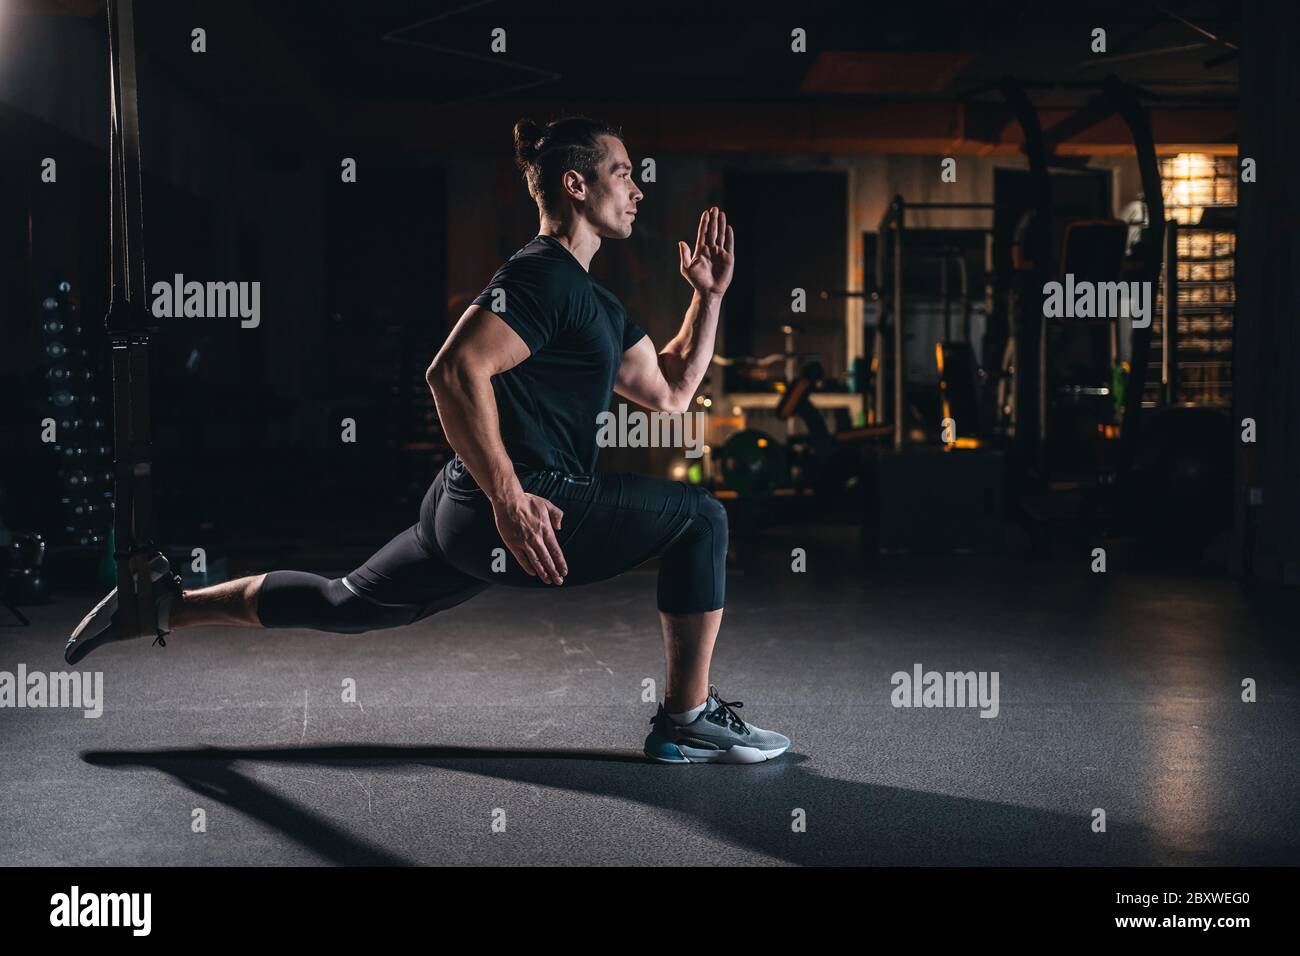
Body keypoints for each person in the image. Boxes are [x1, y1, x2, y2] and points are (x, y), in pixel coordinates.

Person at [66, 116, 790, 765]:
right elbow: (452, 371)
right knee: (703, 518)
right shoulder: (541, 277)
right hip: (521, 506)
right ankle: (686, 721)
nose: (638, 189)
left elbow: (671, 390)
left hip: (460, 513)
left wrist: (708, 297)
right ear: (576, 185)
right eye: (623, 173)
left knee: (344, 601)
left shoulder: (592, 298)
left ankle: (160, 603)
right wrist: (511, 499)